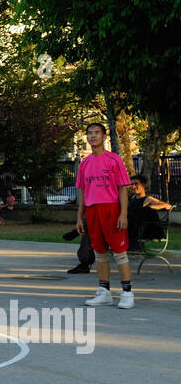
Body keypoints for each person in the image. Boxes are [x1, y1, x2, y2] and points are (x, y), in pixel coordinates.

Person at [75, 122, 134, 309]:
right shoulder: (84, 163)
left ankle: (127, 293)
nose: (93, 136)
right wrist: (79, 217)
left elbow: (123, 189)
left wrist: (123, 213)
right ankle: (104, 292)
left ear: (104, 137)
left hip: (111, 209)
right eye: (90, 133)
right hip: (92, 211)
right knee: (99, 252)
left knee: (119, 252)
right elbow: (83, 193)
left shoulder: (114, 159)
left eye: (97, 133)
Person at [128, 175, 172, 245]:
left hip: (140, 228)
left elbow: (167, 205)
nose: (133, 186)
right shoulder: (132, 198)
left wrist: (151, 207)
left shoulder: (148, 199)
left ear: (143, 185)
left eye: (136, 184)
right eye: (132, 184)